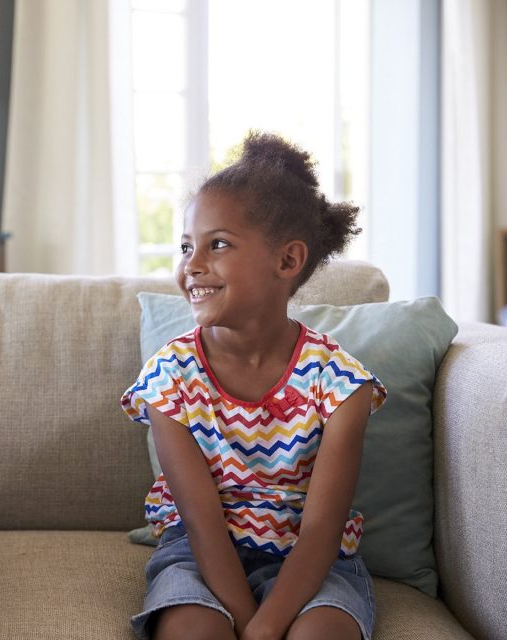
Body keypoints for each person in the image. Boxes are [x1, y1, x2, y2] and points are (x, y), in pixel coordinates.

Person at [120, 132, 387, 640]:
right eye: (186, 246)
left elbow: (320, 532)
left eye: (217, 244)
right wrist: (245, 623)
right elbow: (202, 526)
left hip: (312, 561)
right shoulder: (168, 377)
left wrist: (266, 629)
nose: (191, 265)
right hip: (199, 554)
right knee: (196, 631)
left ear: (286, 261)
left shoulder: (341, 384)